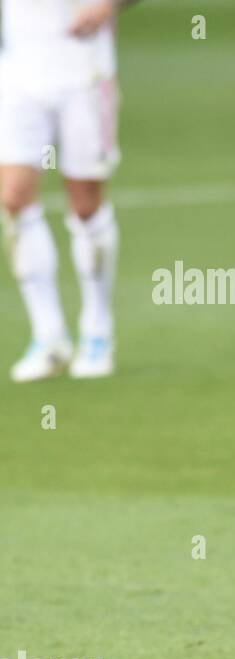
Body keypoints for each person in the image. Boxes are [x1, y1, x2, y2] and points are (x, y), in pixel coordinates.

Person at [2, 0, 135, 382]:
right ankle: (48, 337)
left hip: (83, 71)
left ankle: (96, 331)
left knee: (85, 203)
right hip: (18, 69)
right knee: (13, 199)